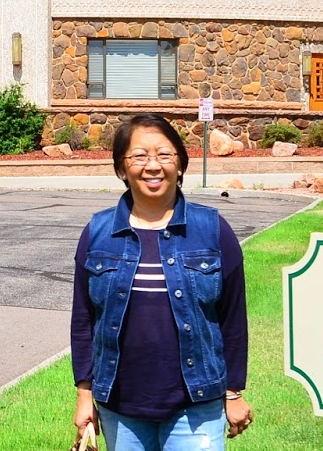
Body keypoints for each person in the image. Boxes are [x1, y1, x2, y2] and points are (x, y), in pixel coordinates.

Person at [70, 114, 252, 451]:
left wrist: (232, 392)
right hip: (121, 406)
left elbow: (233, 320)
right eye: (139, 156)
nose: (153, 165)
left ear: (180, 165)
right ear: (122, 169)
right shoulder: (97, 233)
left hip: (196, 405)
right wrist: (84, 395)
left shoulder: (212, 230)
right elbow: (84, 322)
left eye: (164, 155)